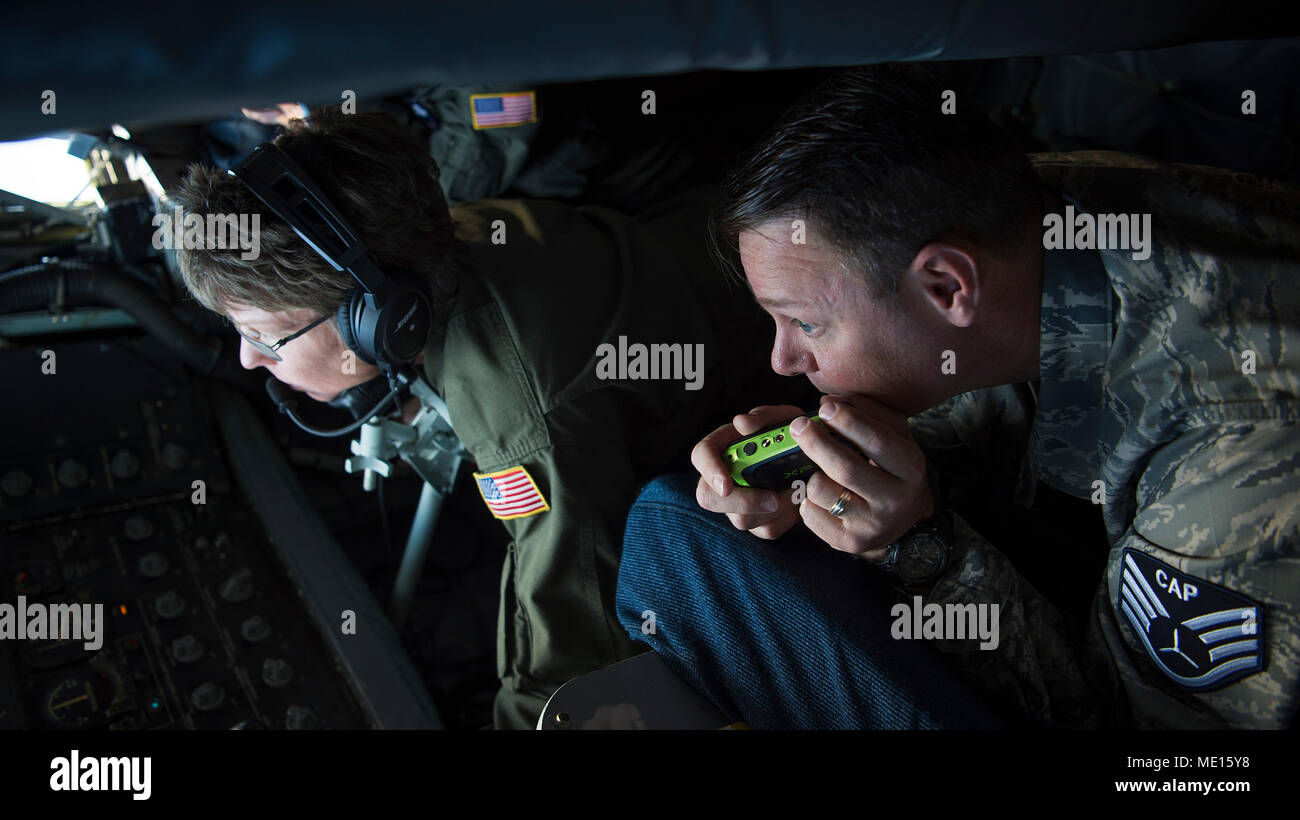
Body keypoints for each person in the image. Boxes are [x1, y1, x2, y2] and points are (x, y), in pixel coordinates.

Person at [615, 64, 1300, 729]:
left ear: (947, 287)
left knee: (677, 531)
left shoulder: (1241, 459)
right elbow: (990, 397)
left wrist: (920, 546)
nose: (784, 359)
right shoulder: (1039, 208)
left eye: (806, 322)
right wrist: (848, 474)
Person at [169, 106, 808, 729]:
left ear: (380, 323)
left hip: (769, 356)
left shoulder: (525, 414)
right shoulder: (431, 236)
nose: (249, 360)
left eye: (265, 336)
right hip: (706, 233)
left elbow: (574, 637)